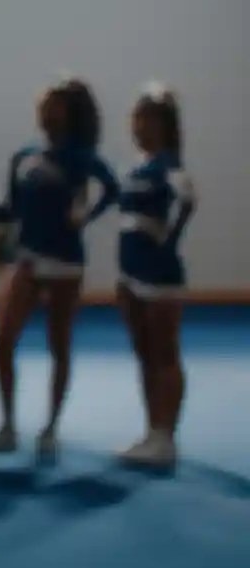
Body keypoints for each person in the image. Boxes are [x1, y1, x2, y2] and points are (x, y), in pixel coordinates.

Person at [0, 78, 120, 458]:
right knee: (3, 337)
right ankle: (8, 423)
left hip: (65, 260)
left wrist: (86, 214)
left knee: (58, 344)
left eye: (54, 106)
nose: (46, 112)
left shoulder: (82, 154)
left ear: (68, 112)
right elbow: (10, 209)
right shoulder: (24, 155)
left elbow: (113, 189)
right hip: (27, 256)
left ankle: (50, 427)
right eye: (42, 105)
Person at [116, 82, 195, 467]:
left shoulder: (169, 166)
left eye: (146, 118)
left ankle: (167, 437)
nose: (138, 126)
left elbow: (188, 199)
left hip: (160, 277)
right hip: (131, 276)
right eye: (136, 118)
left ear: (164, 124)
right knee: (145, 354)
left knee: (164, 354)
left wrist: (165, 242)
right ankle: (151, 431)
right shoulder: (138, 167)